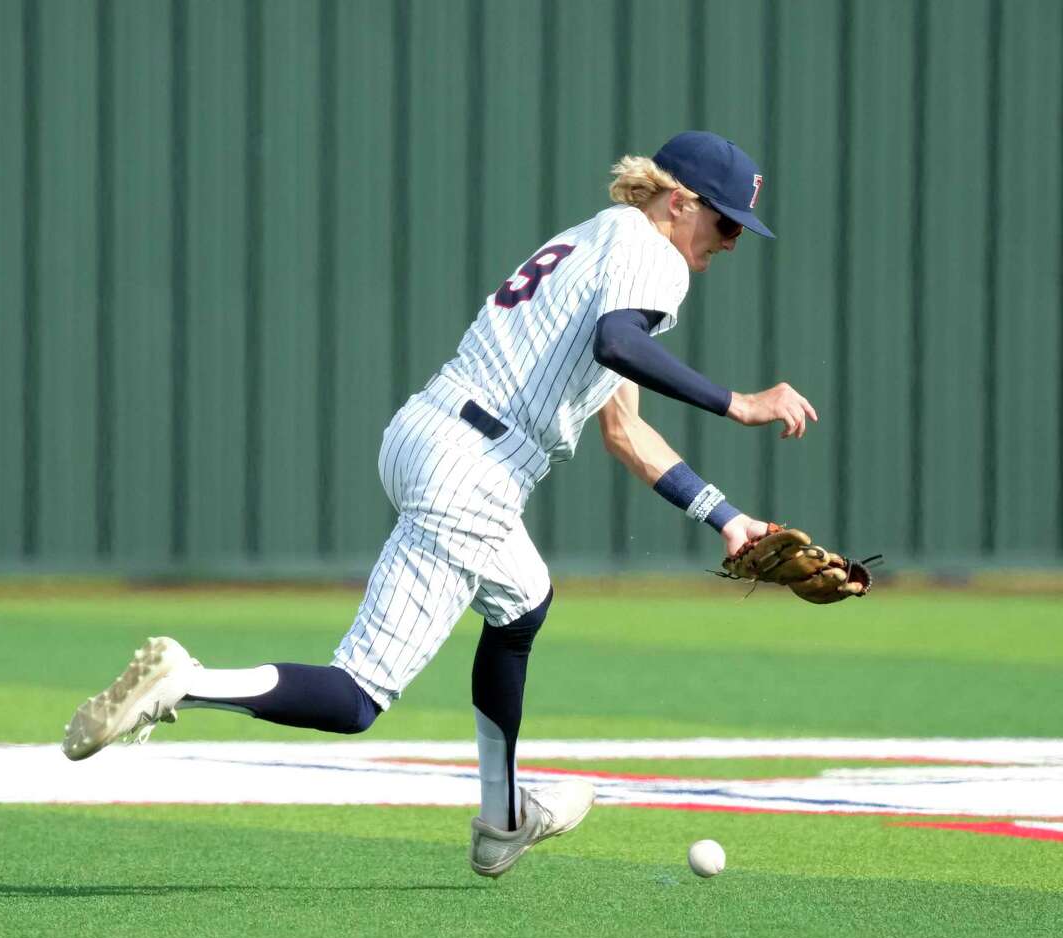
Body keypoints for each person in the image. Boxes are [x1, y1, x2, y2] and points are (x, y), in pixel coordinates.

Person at [63, 130, 817, 878]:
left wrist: (726, 517)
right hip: (476, 467)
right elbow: (620, 343)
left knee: (523, 601)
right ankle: (187, 682)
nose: (730, 242)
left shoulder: (600, 242)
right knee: (357, 696)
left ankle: (502, 820)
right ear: (680, 201)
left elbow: (624, 429)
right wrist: (740, 403)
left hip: (429, 430)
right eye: (724, 222)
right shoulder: (651, 257)